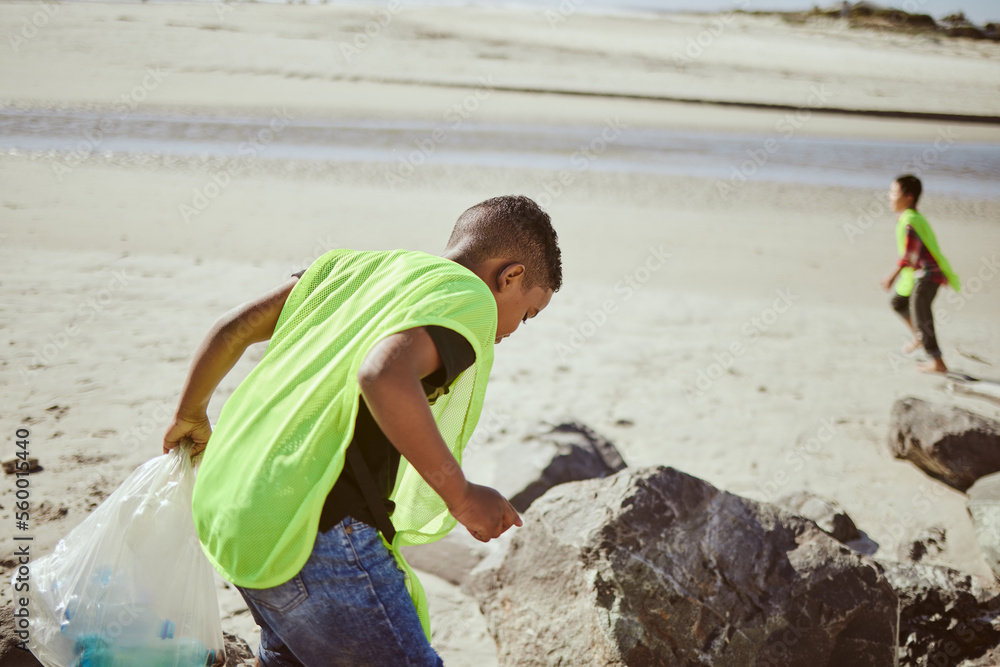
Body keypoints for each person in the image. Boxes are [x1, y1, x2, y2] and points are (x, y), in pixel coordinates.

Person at [161, 195, 561, 666]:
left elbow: (234, 327)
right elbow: (384, 374)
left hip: (232, 509)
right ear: (509, 276)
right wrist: (463, 496)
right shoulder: (468, 295)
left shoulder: (350, 267)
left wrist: (190, 414)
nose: (514, 329)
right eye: (528, 313)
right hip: (313, 527)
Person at [881, 175, 960, 374]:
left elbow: (910, 254)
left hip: (928, 276)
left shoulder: (910, 220)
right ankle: (918, 337)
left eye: (894, 193)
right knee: (899, 303)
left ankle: (937, 362)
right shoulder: (909, 217)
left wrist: (891, 276)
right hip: (920, 275)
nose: (890, 197)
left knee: (922, 315)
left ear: (909, 197)